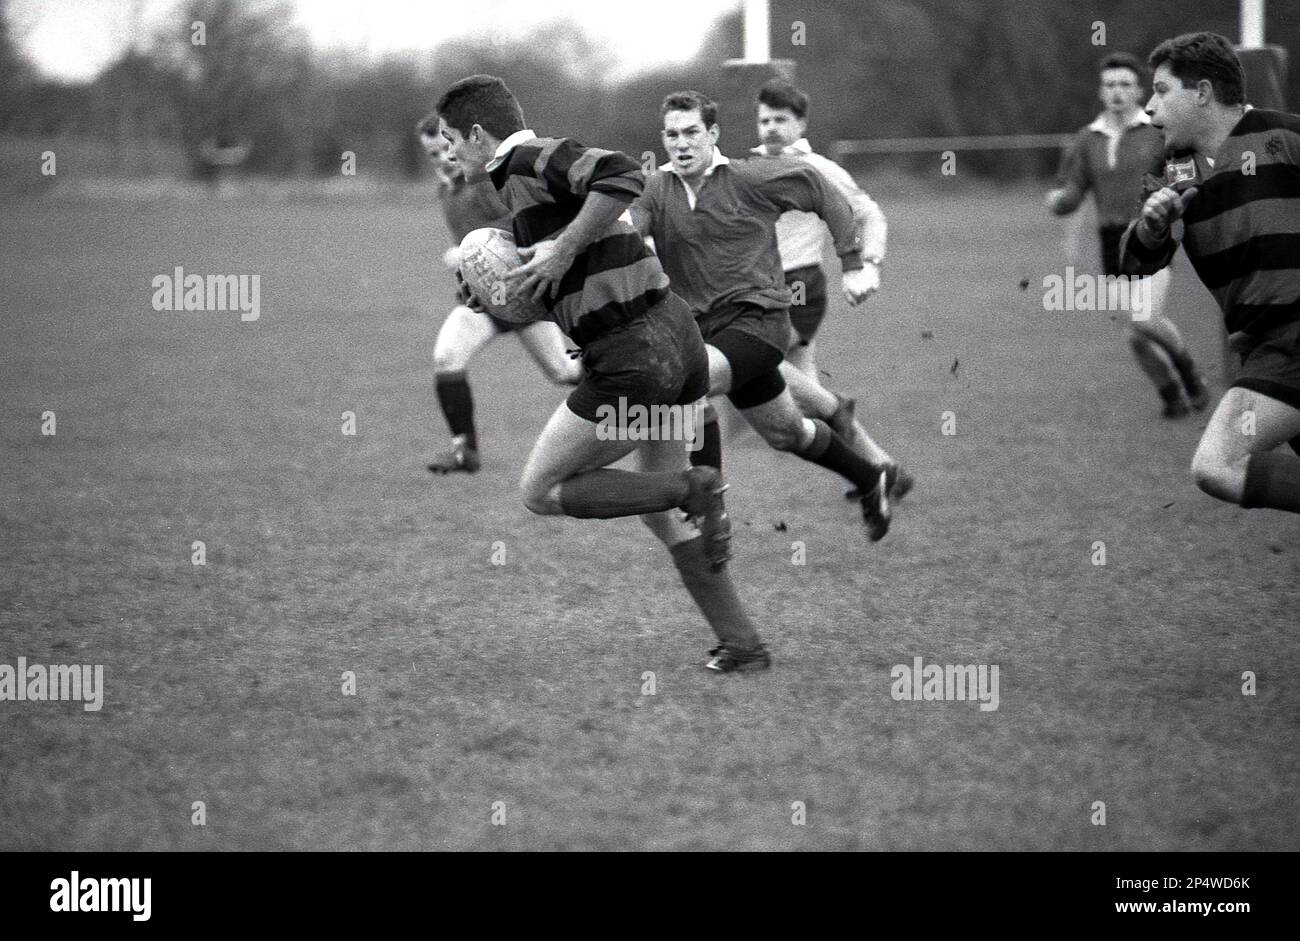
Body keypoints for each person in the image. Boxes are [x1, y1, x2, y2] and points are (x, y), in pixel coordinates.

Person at [435, 75, 771, 672]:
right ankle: (743, 643)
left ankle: (695, 485)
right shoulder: (518, 188)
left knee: (540, 490)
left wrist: (561, 249)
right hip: (675, 341)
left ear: (480, 133)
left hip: (636, 358)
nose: (449, 152)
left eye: (452, 139)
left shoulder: (528, 160)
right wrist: (501, 285)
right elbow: (562, 277)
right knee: (659, 515)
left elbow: (623, 173)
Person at [632, 90, 911, 540]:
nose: (681, 143)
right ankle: (871, 476)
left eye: (691, 133)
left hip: (757, 323)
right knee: (787, 432)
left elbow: (823, 193)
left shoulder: (750, 179)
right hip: (705, 332)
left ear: (713, 134)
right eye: (671, 135)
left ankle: (711, 510)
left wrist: (855, 264)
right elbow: (626, 232)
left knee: (691, 380)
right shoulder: (654, 191)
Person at [1119, 32, 1300, 515]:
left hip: (1290, 340)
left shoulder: (1284, 137)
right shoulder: (1171, 171)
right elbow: (1135, 264)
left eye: (1161, 90)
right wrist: (1152, 228)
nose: (1148, 109)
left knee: (1217, 464)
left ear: (1201, 93)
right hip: (1264, 347)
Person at [415, 116, 582, 474]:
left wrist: (468, 250)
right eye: (432, 155)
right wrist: (465, 263)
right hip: (482, 299)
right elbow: (466, 245)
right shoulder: (446, 191)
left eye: (446, 148)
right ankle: (465, 451)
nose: (442, 159)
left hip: (520, 292)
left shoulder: (485, 182)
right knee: (447, 356)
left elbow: (520, 224)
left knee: (564, 371)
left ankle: (627, 381)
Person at [1047, 52, 1209, 419]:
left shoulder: (1158, 131)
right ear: (1101, 92)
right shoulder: (1088, 139)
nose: (1117, 92)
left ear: (1139, 90)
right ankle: (1172, 395)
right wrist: (1059, 201)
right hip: (1111, 242)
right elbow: (1072, 192)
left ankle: (1191, 374)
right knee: (1136, 337)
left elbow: (1186, 176)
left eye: (1125, 84)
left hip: (1152, 233)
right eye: (1110, 85)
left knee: (1143, 318)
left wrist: (1173, 201)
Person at [752, 78, 887, 382]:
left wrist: (870, 266)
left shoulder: (818, 168)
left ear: (801, 124)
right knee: (799, 373)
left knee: (754, 360)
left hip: (799, 283)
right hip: (757, 284)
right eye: (765, 120)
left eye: (781, 119)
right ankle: (834, 426)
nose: (771, 127)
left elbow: (869, 213)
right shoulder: (748, 168)